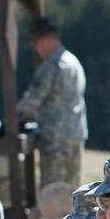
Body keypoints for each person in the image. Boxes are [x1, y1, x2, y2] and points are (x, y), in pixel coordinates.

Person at [17, 18, 87, 189]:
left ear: (44, 40)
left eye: (36, 42)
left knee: (52, 192)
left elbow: (32, 102)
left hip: (55, 141)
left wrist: (13, 121)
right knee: (73, 191)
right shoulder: (73, 62)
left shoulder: (51, 66)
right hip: (75, 135)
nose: (36, 49)